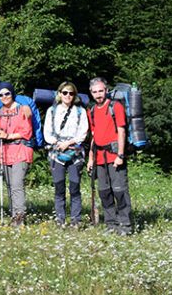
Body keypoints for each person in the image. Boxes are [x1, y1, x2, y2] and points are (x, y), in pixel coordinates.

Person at [86, 77, 132, 235]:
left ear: (106, 90)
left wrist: (120, 154)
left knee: (119, 191)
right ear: (91, 93)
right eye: (95, 92)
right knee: (104, 192)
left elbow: (121, 131)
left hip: (114, 156)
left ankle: (125, 225)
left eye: (100, 90)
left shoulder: (115, 107)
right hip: (99, 158)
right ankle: (111, 224)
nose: (98, 94)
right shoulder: (91, 111)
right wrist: (91, 158)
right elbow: (93, 136)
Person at [44, 81, 89, 228]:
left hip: (75, 153)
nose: (68, 96)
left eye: (71, 93)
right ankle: (60, 219)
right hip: (56, 153)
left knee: (75, 187)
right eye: (65, 93)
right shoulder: (52, 111)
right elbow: (47, 133)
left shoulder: (80, 111)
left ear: (75, 95)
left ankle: (76, 220)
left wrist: (68, 144)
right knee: (59, 187)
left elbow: (83, 132)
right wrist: (57, 143)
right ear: (59, 94)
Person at [0, 81, 33, 227]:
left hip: (20, 150)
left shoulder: (23, 110)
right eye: (1, 94)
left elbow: (27, 132)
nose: (4, 97)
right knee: (9, 185)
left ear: (12, 93)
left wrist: (7, 136)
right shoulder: (0, 112)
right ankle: (14, 214)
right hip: (6, 152)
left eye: (7, 93)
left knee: (16, 184)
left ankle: (19, 216)